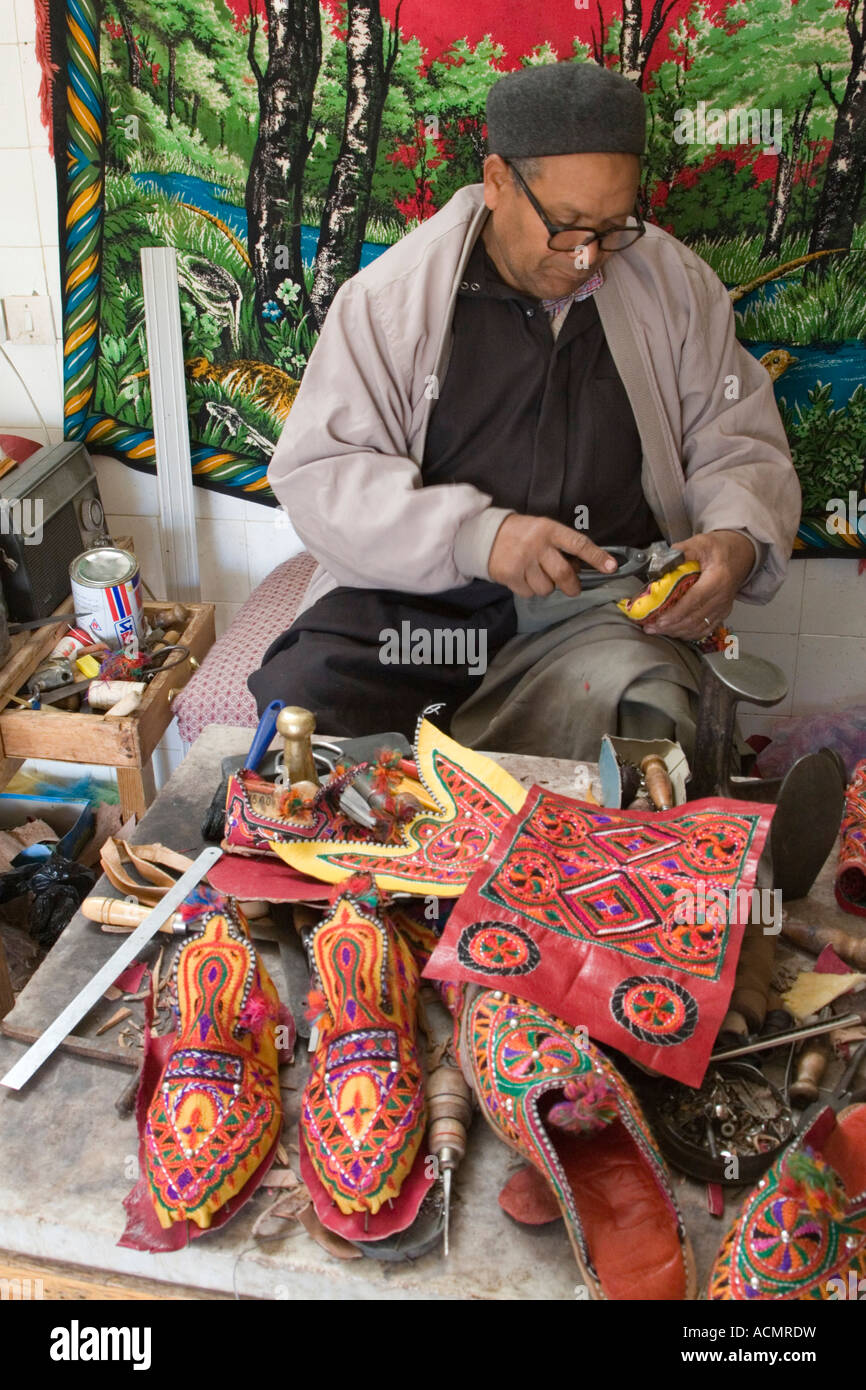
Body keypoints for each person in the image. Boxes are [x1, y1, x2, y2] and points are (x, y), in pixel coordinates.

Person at [250, 62, 800, 760]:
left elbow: (738, 444)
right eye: (567, 227)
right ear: (499, 180)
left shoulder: (676, 287)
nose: (587, 258)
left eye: (611, 227)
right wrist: (481, 537)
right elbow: (324, 478)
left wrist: (737, 542)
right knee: (309, 703)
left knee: (646, 713)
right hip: (417, 604)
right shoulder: (389, 301)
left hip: (596, 606)